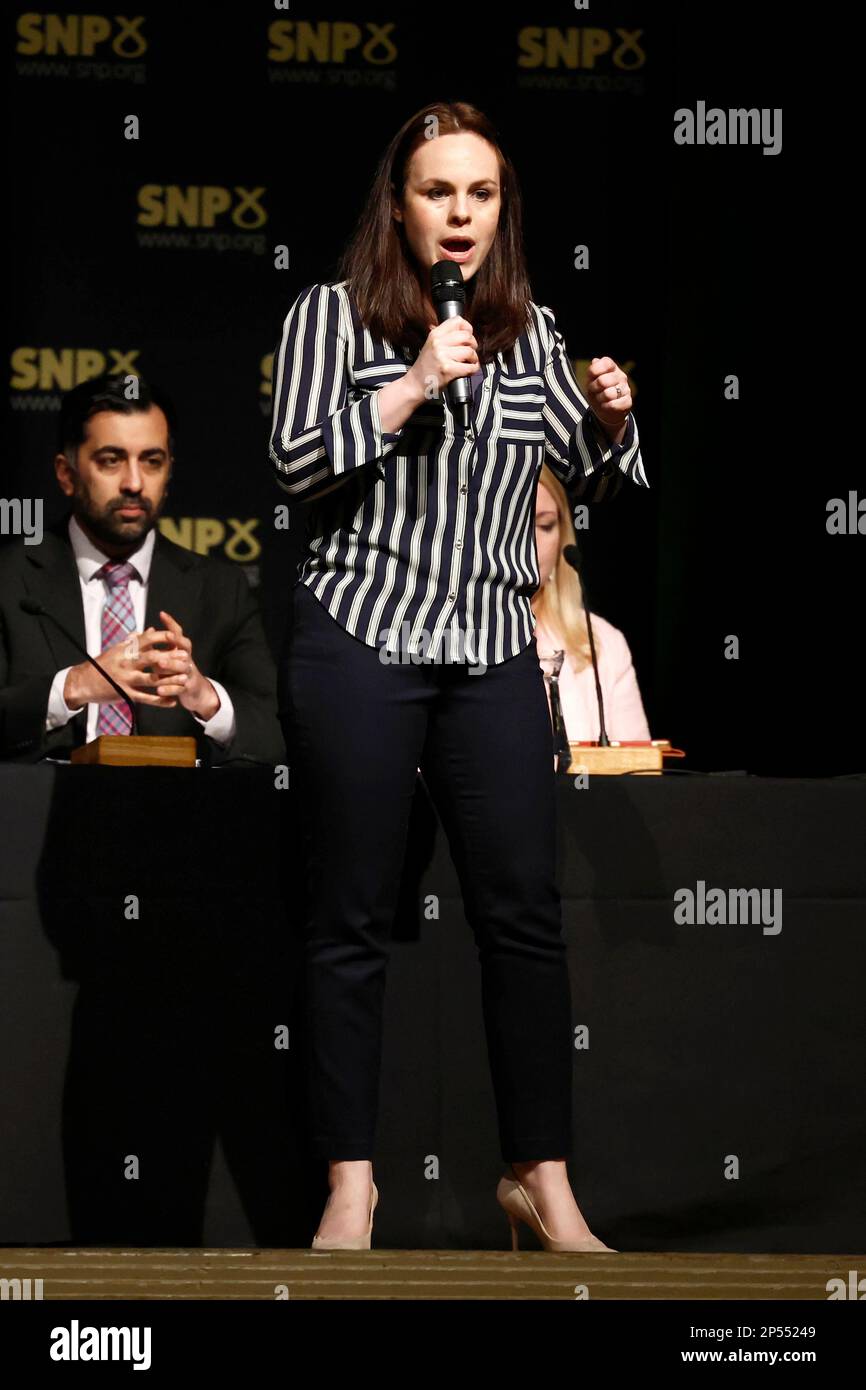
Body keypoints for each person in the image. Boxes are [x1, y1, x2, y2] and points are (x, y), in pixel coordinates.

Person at [269, 101, 648, 1252]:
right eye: (438, 192)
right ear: (401, 204)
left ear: (500, 211)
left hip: (489, 649)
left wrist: (613, 418)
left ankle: (541, 1179)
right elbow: (294, 461)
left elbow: (593, 477)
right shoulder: (330, 317)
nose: (458, 215)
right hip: (361, 638)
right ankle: (350, 1184)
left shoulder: (531, 333)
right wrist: (410, 384)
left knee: (523, 920)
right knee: (348, 919)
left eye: (478, 195)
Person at [0, 373, 285, 765]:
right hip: (37, 814)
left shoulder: (221, 589)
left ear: (168, 474)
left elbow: (275, 734)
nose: (134, 483)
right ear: (67, 474)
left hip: (174, 816)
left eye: (152, 461)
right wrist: (74, 686)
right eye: (111, 460)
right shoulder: (10, 578)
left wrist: (204, 697)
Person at [533, 465, 651, 746]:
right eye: (513, 524)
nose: (529, 543)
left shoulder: (602, 642)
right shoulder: (445, 639)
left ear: (562, 535)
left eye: (544, 525)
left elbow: (639, 778)